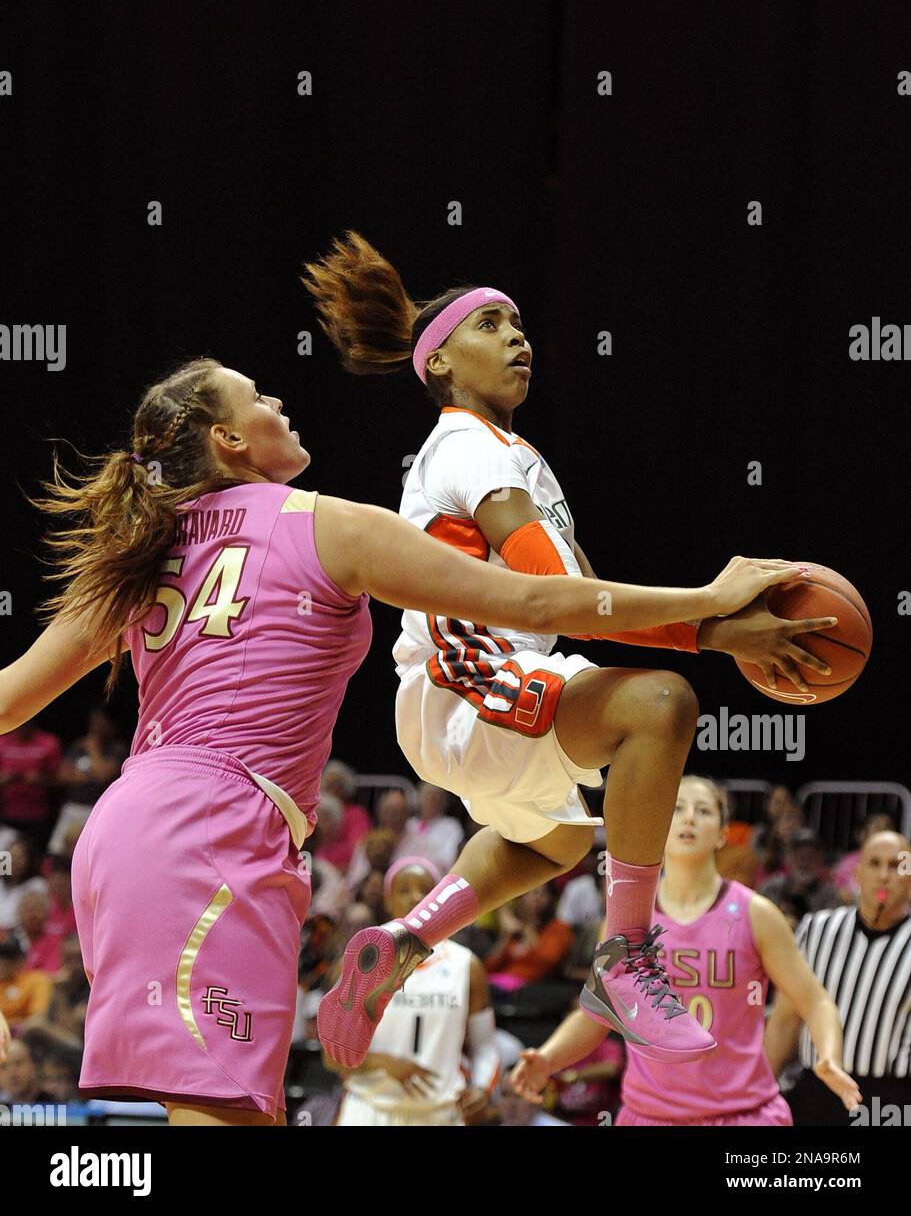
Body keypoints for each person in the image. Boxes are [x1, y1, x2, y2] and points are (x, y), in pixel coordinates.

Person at [0, 354, 760, 1125]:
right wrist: (708, 611)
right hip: (208, 832)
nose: (277, 397)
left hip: (132, 831)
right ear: (229, 438)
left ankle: (430, 935)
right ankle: (622, 955)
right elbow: (533, 599)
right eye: (257, 393)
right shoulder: (325, 523)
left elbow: (5, 703)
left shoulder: (139, 553)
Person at [302, 231, 834, 1068]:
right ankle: (625, 957)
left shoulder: (519, 459)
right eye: (490, 325)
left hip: (475, 688)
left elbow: (589, 607)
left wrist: (722, 635)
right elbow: (560, 603)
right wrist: (711, 603)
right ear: (438, 363)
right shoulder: (467, 449)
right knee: (658, 706)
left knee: (552, 841)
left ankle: (404, 940)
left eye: (518, 322)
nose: (517, 336)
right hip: (468, 682)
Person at [510, 775, 860, 1126]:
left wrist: (829, 1056)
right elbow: (598, 1013)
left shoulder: (756, 913)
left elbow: (814, 999)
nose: (689, 817)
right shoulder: (628, 917)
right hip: (649, 1115)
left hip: (741, 1115)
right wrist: (549, 1057)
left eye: (703, 810)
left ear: (723, 833)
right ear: (659, 823)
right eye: (676, 809)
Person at [325, 858, 499, 1126]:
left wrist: (482, 1088)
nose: (416, 897)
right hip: (369, 1109)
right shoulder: (362, 959)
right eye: (404, 890)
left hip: (440, 1112)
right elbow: (331, 1056)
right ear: (387, 898)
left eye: (427, 890)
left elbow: (485, 1045)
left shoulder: (467, 965)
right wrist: (382, 1063)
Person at [765, 829, 911, 1126]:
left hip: (891, 1099)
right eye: (874, 864)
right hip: (817, 1089)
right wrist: (757, 1089)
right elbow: (785, 1019)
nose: (884, 875)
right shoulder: (816, 928)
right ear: (857, 873)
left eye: (897, 866)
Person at [48, 705, 128, 855]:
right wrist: (89, 775)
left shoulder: (118, 749)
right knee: (57, 853)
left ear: (111, 724)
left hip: (95, 811)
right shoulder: (78, 746)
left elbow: (103, 776)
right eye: (93, 722)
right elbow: (62, 776)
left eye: (100, 722)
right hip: (72, 808)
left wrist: (93, 747)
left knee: (86, 854)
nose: (96, 727)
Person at [485, 884, 574, 990]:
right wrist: (506, 934)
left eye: (541, 893)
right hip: (501, 984)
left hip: (535, 988)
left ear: (551, 898)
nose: (535, 898)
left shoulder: (559, 928)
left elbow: (545, 962)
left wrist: (528, 925)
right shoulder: (516, 928)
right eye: (530, 893)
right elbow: (490, 966)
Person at [0, 719, 63, 859]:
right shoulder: (2, 742)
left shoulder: (49, 743)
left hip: (39, 816)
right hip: (7, 814)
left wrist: (42, 779)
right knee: (7, 860)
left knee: (34, 859)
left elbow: (62, 779)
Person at [760, 828, 841, 927]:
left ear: (821, 859)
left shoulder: (828, 895)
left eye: (811, 856)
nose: (805, 862)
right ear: (788, 857)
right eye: (800, 856)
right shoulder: (772, 888)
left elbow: (829, 928)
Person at [398, 783, 465, 874]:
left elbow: (448, 858)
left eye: (436, 797)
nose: (431, 801)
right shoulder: (410, 824)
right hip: (406, 874)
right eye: (427, 796)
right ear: (418, 799)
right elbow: (399, 855)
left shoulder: (450, 826)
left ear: (443, 802)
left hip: (436, 875)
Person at [318, 761, 371, 872]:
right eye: (328, 785)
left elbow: (359, 848)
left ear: (346, 789)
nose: (332, 791)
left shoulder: (357, 814)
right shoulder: (315, 812)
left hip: (346, 869)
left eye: (337, 786)